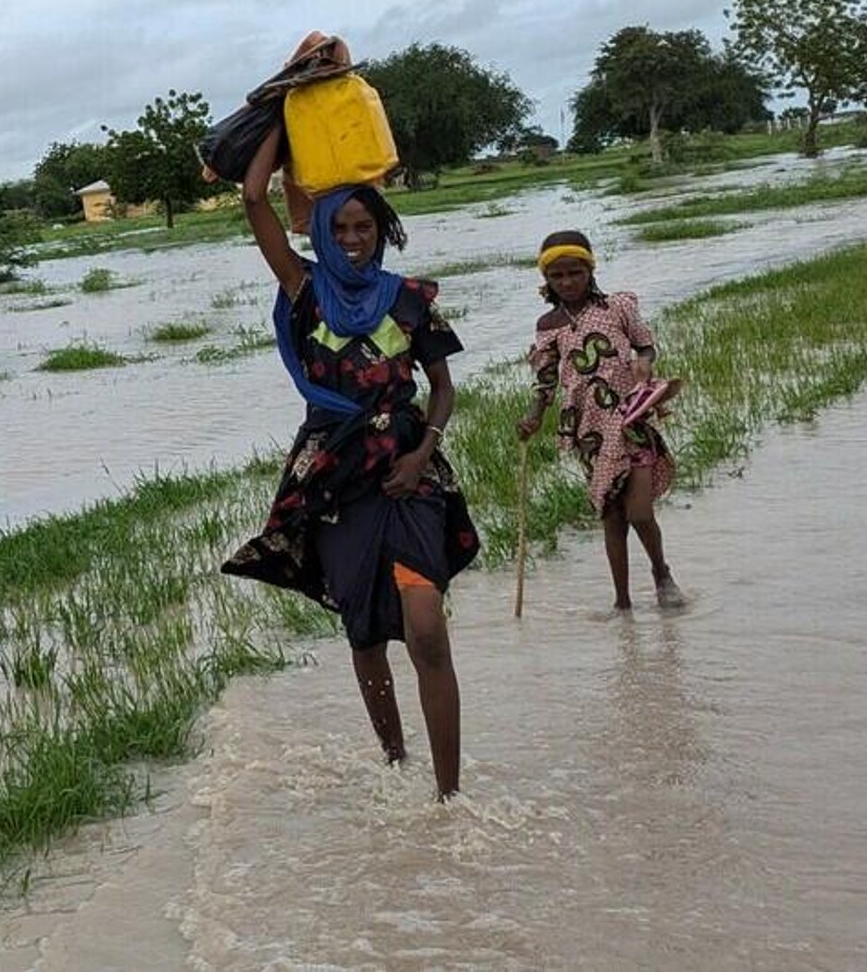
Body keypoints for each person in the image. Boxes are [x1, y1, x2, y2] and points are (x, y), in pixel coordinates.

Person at [221, 126, 478, 799]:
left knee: (426, 627)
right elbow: (253, 199)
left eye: (365, 226)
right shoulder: (302, 288)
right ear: (322, 234)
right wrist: (281, 120)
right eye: (341, 228)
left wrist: (424, 453)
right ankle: (395, 762)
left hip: (407, 471)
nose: (354, 238)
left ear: (382, 230)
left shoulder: (410, 298)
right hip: (334, 477)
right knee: (363, 632)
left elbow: (442, 388)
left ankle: (448, 798)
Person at [515, 232, 687, 610]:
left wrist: (644, 362)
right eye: (557, 276)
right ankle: (622, 603)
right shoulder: (549, 325)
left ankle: (661, 573)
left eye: (575, 273)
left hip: (630, 419)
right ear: (547, 279)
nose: (567, 282)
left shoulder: (616, 308)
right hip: (588, 433)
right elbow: (545, 382)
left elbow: (645, 344)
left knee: (639, 512)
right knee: (612, 518)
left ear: (590, 270)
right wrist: (533, 418)